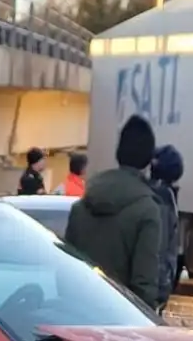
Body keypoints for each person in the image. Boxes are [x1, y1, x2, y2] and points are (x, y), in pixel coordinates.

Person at [63, 116, 163, 309]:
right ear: (149, 160)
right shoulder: (147, 210)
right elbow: (144, 283)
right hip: (119, 320)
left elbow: (67, 271)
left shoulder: (82, 205)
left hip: (77, 313)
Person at [149, 144, 184, 304]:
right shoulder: (163, 199)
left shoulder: (157, 194)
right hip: (155, 290)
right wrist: (163, 289)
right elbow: (161, 251)